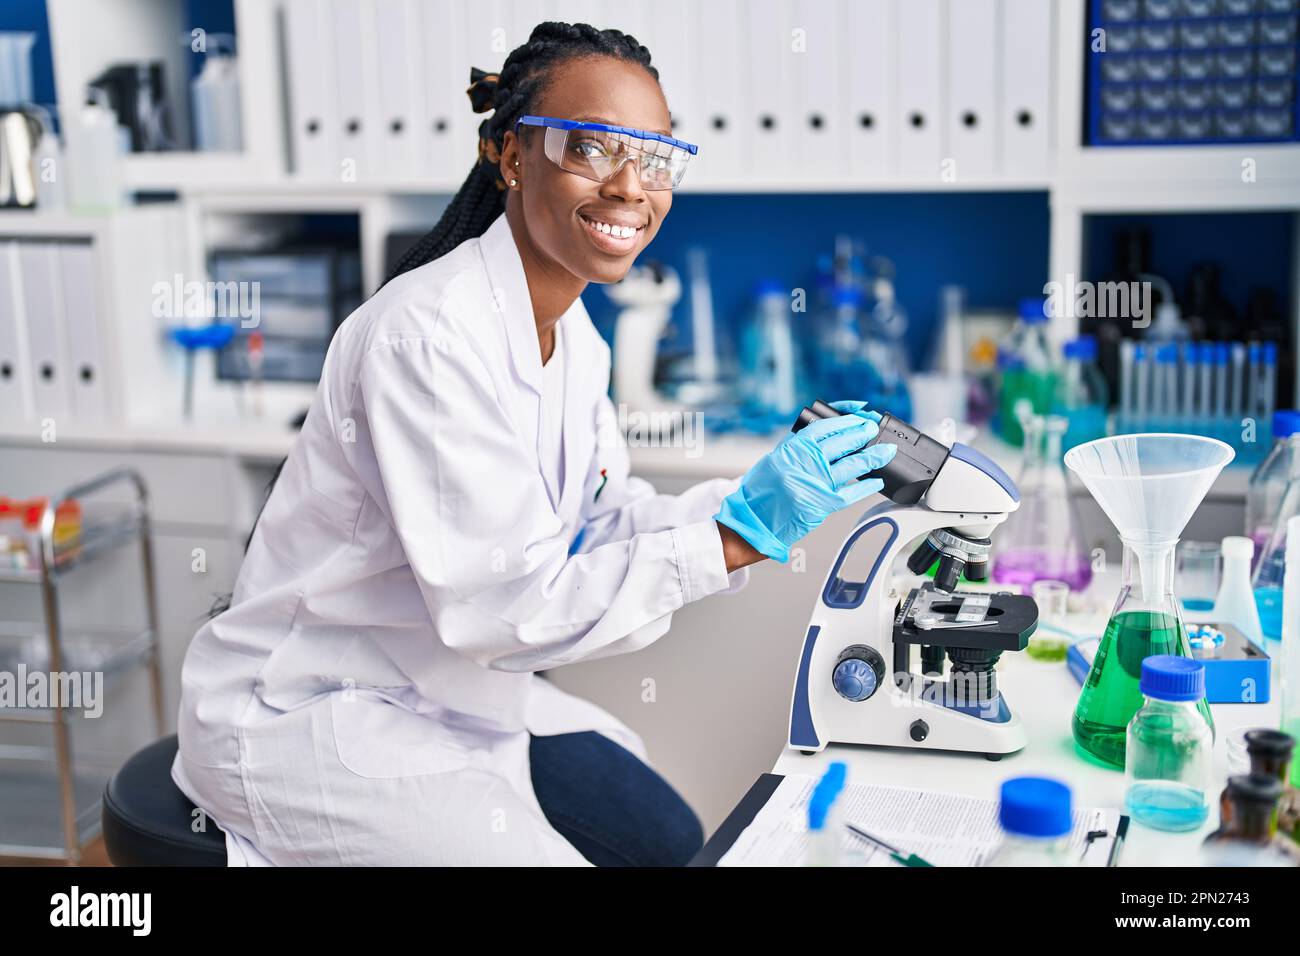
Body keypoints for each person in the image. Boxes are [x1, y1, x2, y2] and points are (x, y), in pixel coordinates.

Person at [172, 20, 896, 866]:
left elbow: (599, 519)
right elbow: (504, 608)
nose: (633, 186)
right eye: (593, 148)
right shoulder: (427, 338)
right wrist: (736, 541)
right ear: (512, 156)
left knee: (660, 832)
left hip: (451, 687)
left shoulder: (574, 337)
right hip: (308, 709)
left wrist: (751, 502)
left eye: (657, 156)